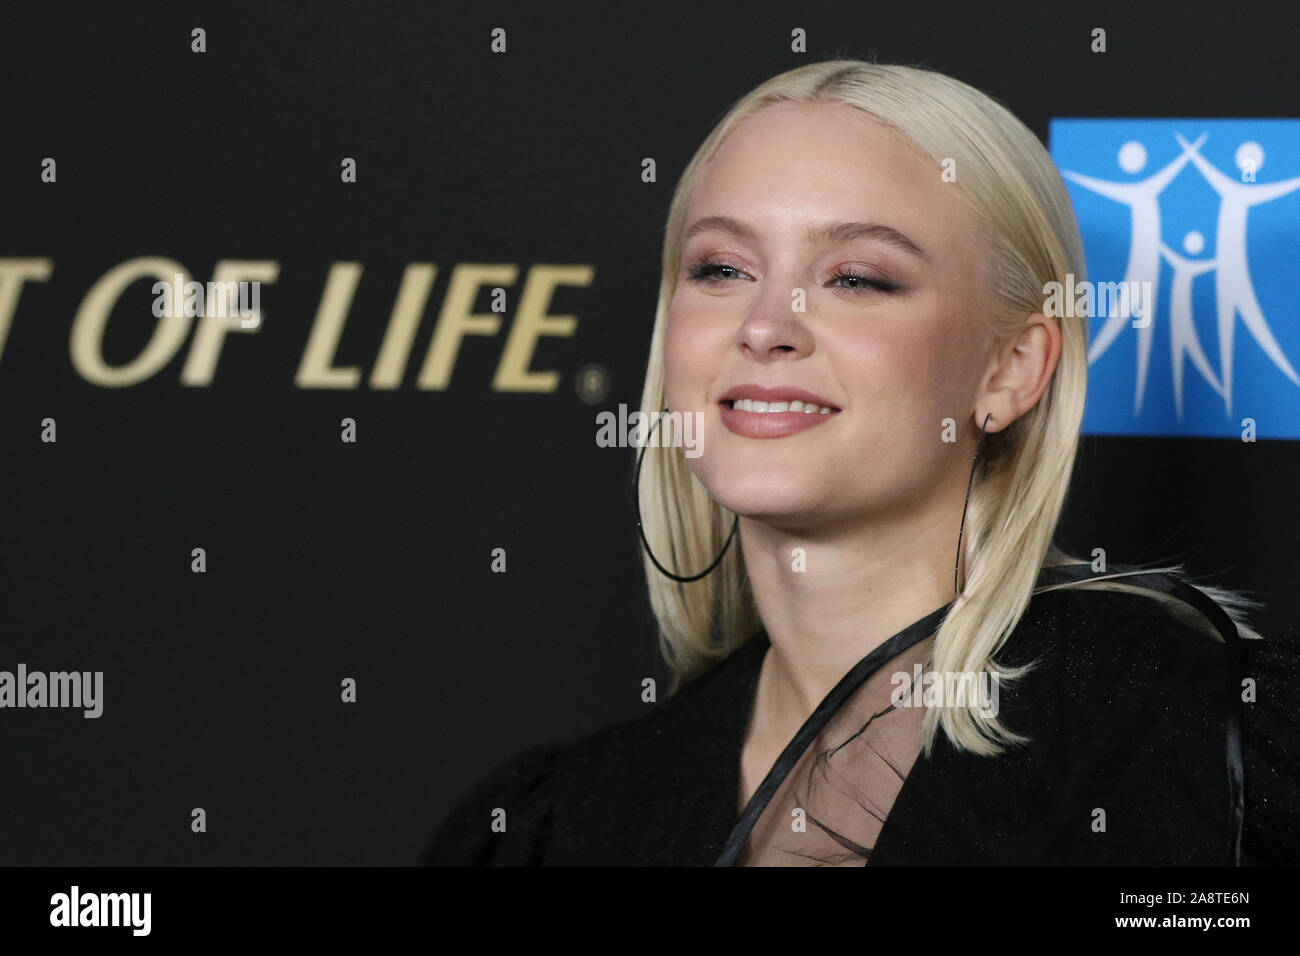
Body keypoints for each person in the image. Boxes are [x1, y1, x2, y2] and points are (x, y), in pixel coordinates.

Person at [421, 60, 1299, 866]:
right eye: (721, 268)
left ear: (1011, 369)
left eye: (857, 279)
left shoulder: (1206, 750)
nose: (765, 326)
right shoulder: (548, 830)